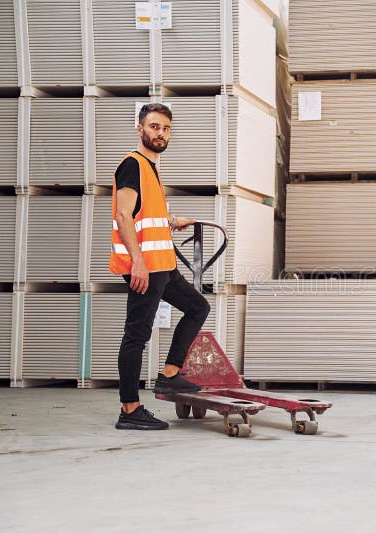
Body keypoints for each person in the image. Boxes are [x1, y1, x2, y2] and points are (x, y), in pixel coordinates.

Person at [110, 103, 210, 430]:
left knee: (197, 307)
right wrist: (137, 261)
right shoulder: (132, 165)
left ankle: (169, 376)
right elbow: (124, 216)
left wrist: (171, 221)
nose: (160, 133)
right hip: (146, 268)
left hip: (163, 265)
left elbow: (144, 213)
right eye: (154, 127)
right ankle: (130, 409)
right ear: (140, 129)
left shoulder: (152, 168)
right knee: (136, 336)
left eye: (165, 128)